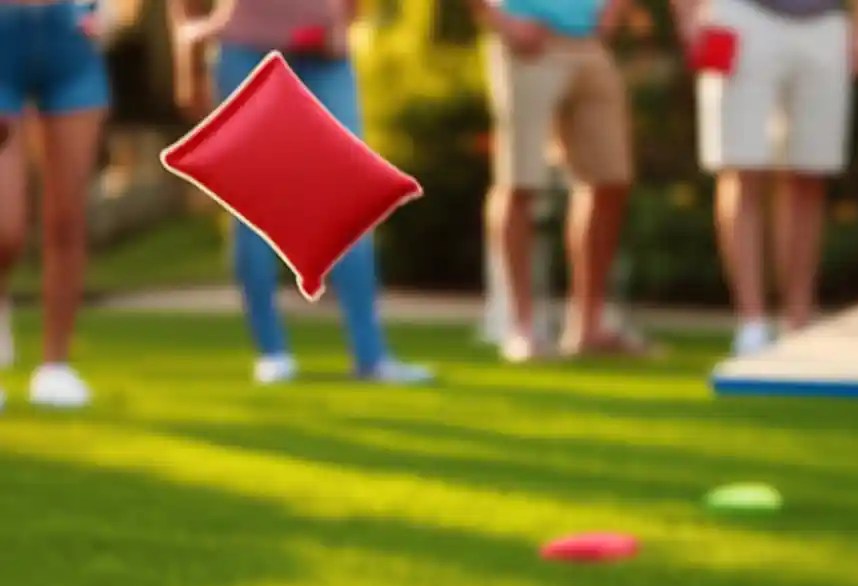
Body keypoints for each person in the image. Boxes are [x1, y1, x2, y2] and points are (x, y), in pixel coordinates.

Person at [167, 0, 432, 385]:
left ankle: (372, 355)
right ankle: (272, 353)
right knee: (254, 205)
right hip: (246, 49)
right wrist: (187, 53)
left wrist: (344, 21)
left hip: (324, 51)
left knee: (351, 200)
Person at [671, 0, 858, 357]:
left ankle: (799, 319)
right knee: (743, 168)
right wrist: (689, 14)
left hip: (825, 22)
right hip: (739, 15)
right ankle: (751, 324)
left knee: (810, 173)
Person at [467, 0, 642, 362]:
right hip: (527, 40)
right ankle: (521, 326)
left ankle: (588, 326)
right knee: (520, 183)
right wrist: (499, 19)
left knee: (611, 180)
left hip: (589, 43)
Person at [0, 0, 113, 409]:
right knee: (5, 229)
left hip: (71, 36)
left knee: (67, 218)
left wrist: (114, 12)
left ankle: (55, 366)